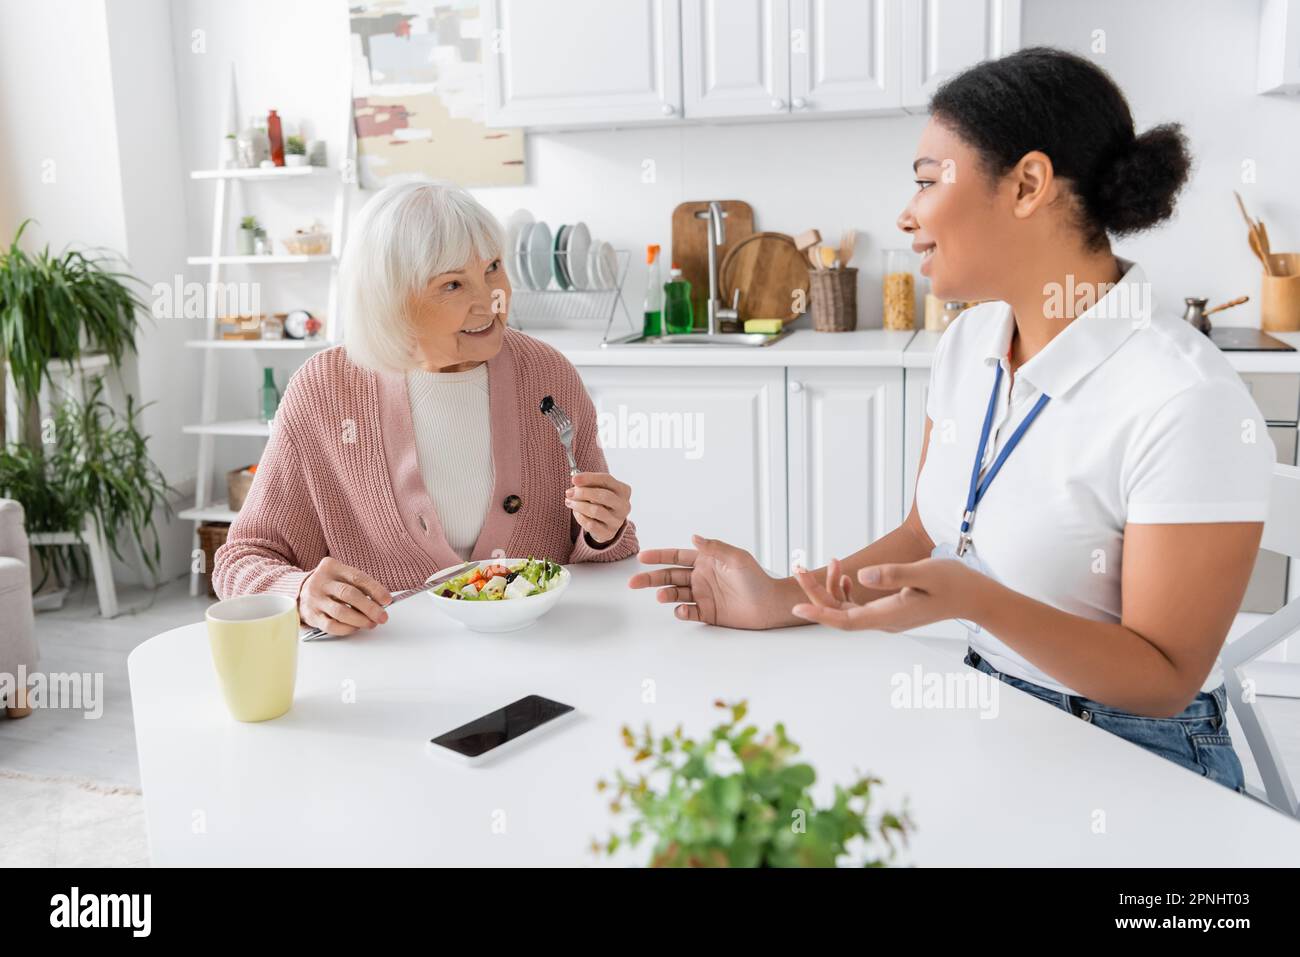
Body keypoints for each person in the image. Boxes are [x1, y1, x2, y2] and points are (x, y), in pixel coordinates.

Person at [630, 48, 1273, 791]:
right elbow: (925, 531)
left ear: (1028, 184)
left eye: (929, 181)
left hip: (1142, 752)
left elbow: (1163, 679)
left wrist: (979, 601)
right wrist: (782, 596)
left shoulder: (1184, 399)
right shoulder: (969, 340)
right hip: (990, 703)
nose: (906, 214)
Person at [215, 182, 636, 635]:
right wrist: (298, 592)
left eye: (493, 267)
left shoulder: (547, 374)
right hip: (395, 673)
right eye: (452, 284)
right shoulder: (324, 391)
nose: (491, 300)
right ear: (390, 302)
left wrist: (604, 530)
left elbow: (606, 549)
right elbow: (241, 559)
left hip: (539, 652)